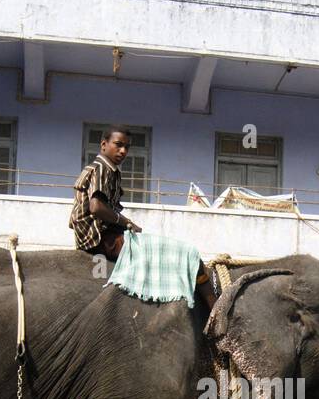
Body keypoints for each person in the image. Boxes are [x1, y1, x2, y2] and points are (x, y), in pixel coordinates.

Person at [68, 125, 215, 309]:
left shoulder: (109, 170)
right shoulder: (101, 168)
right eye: (118, 145)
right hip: (99, 238)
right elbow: (96, 207)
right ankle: (215, 314)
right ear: (104, 145)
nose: (123, 151)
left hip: (104, 234)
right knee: (188, 253)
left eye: (127, 147)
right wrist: (127, 222)